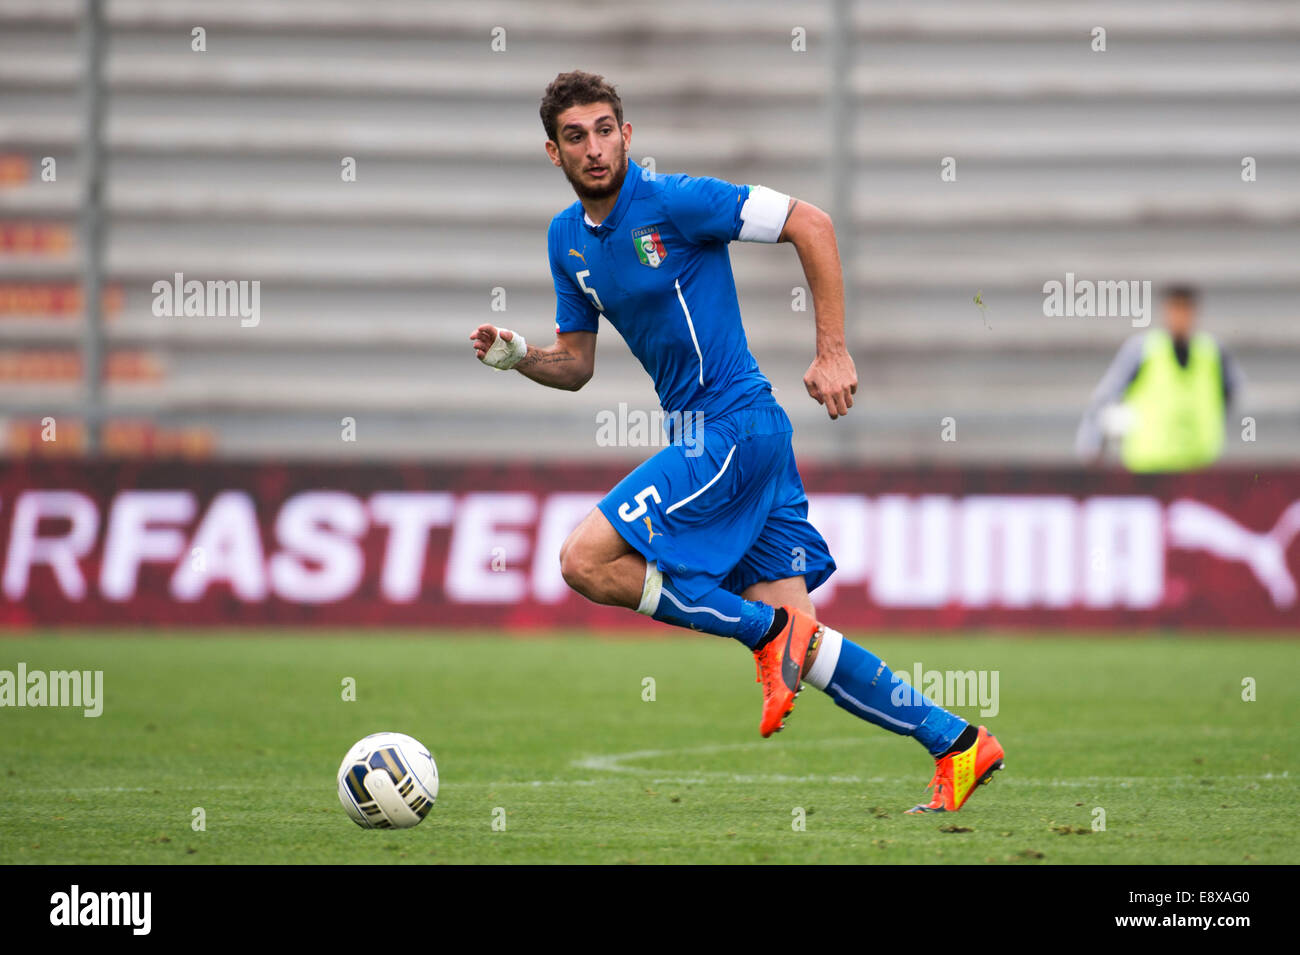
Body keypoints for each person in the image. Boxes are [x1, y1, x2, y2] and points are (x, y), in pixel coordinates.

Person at [470, 71, 1003, 813]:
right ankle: (959, 742)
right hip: (736, 442)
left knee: (583, 560)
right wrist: (519, 355)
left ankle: (761, 633)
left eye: (603, 129)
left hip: (733, 427)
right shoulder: (566, 241)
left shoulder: (677, 201)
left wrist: (833, 351)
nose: (592, 148)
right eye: (574, 136)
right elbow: (578, 365)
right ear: (551, 153)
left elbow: (810, 223)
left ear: (628, 135)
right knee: (810, 648)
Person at [1076, 285, 1244, 471]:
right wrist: (1092, 447)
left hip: (1200, 465)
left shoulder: (1213, 352)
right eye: (1175, 309)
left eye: (1185, 310)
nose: (1180, 317)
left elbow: (1230, 394)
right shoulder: (1142, 350)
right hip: (1149, 468)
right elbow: (1106, 396)